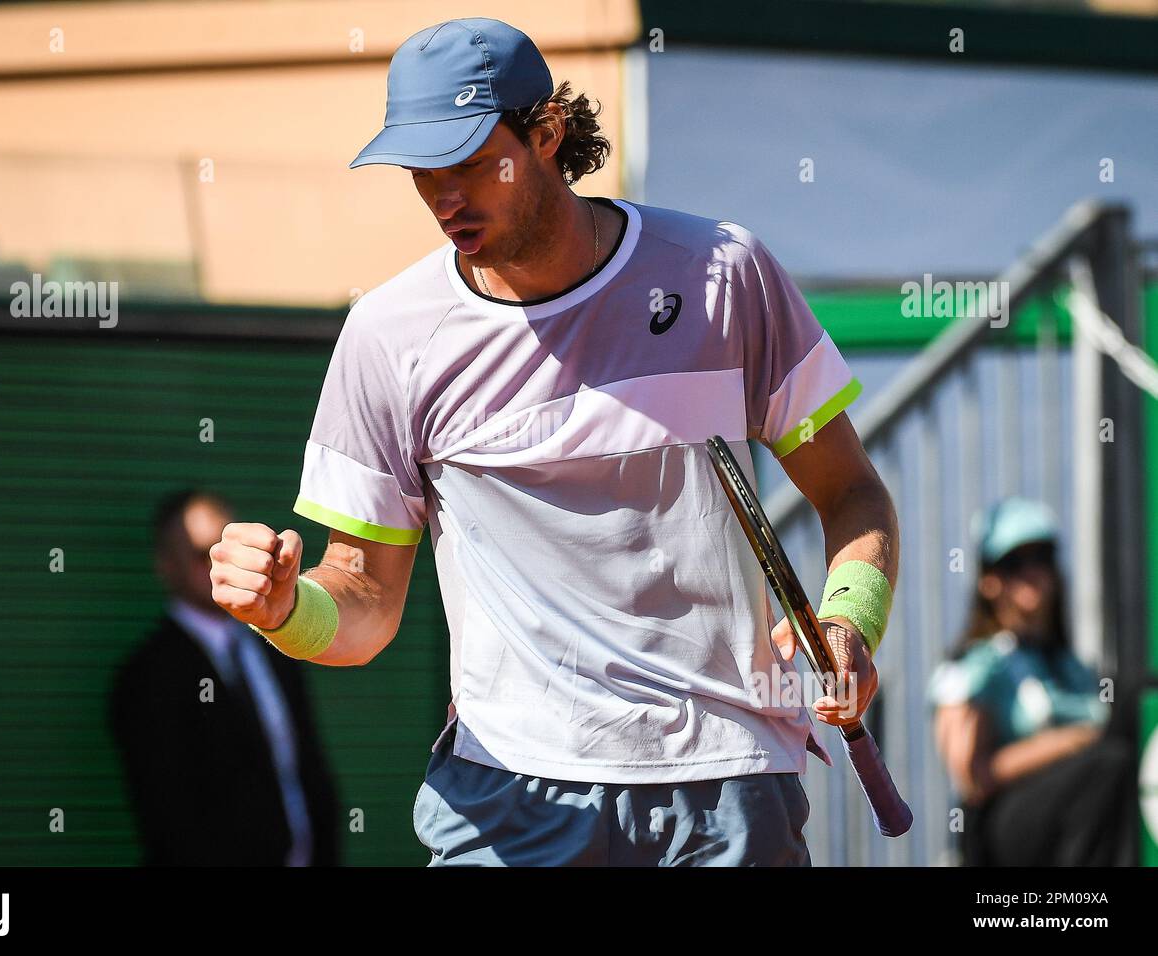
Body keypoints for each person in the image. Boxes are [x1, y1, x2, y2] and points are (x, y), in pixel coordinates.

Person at [210, 18, 899, 866]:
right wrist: (285, 612)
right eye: (420, 170)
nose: (442, 196)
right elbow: (364, 605)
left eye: (467, 161)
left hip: (727, 789)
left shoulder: (724, 274)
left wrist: (850, 623)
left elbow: (852, 495)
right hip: (505, 794)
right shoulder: (386, 335)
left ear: (546, 135)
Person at [111, 489, 339, 866]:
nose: (219, 568)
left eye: (225, 551)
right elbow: (168, 817)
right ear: (167, 565)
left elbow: (308, 772)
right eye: (203, 555)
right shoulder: (148, 677)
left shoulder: (276, 646)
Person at [929, 497, 1136, 866]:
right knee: (1110, 763)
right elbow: (971, 778)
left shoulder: (1073, 667)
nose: (1031, 572)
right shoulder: (975, 666)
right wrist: (1069, 743)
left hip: (1084, 815)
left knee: (1138, 701)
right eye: (1014, 563)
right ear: (989, 581)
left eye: (1042, 557)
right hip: (1006, 830)